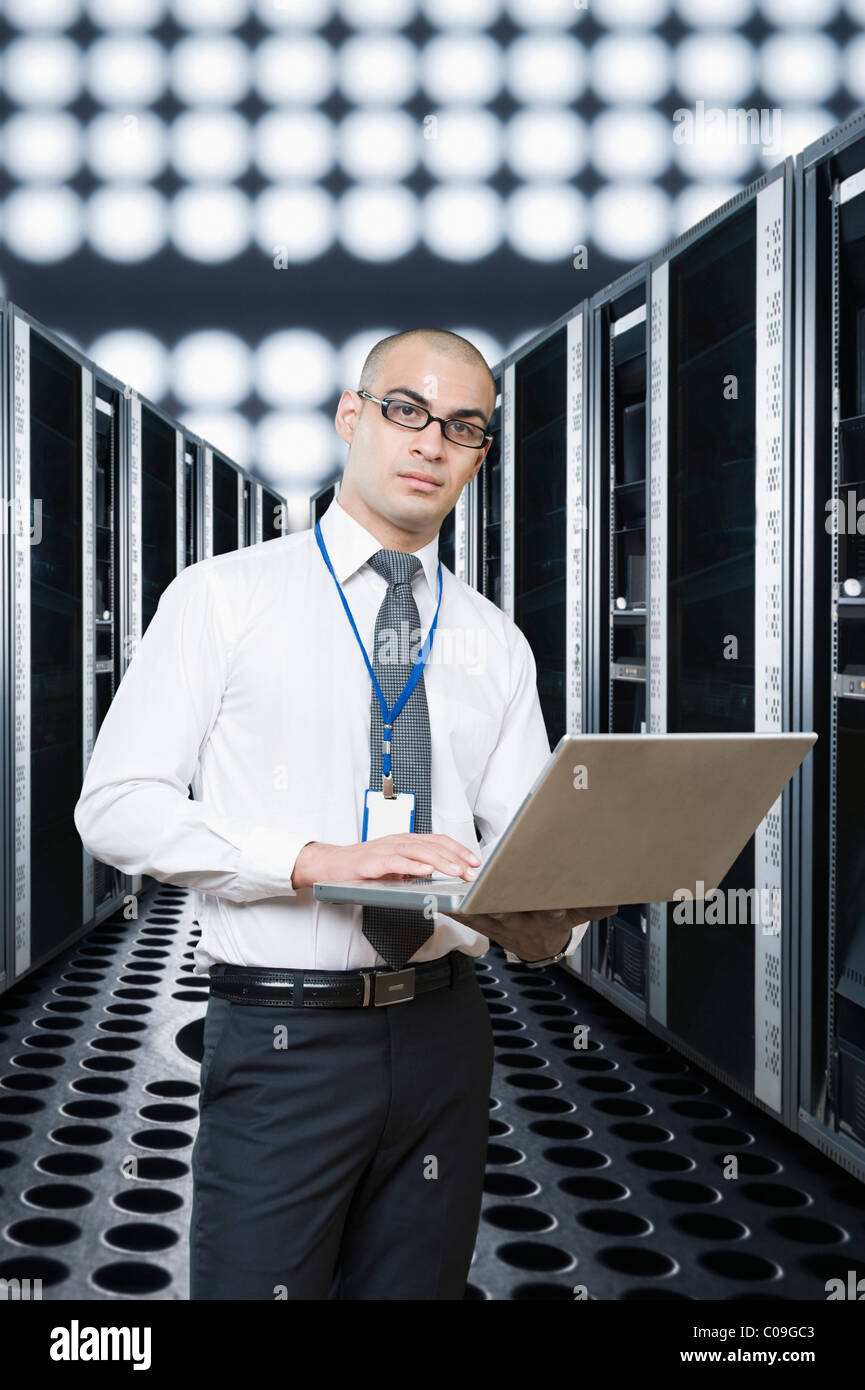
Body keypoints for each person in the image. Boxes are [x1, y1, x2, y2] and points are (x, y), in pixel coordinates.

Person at [73, 327, 615, 1300]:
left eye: (462, 426)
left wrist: (555, 912)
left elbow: (528, 846)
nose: (429, 443)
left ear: (478, 455)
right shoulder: (224, 599)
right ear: (351, 417)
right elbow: (116, 806)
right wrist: (312, 859)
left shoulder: (494, 641)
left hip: (447, 1039)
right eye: (406, 410)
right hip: (287, 1039)